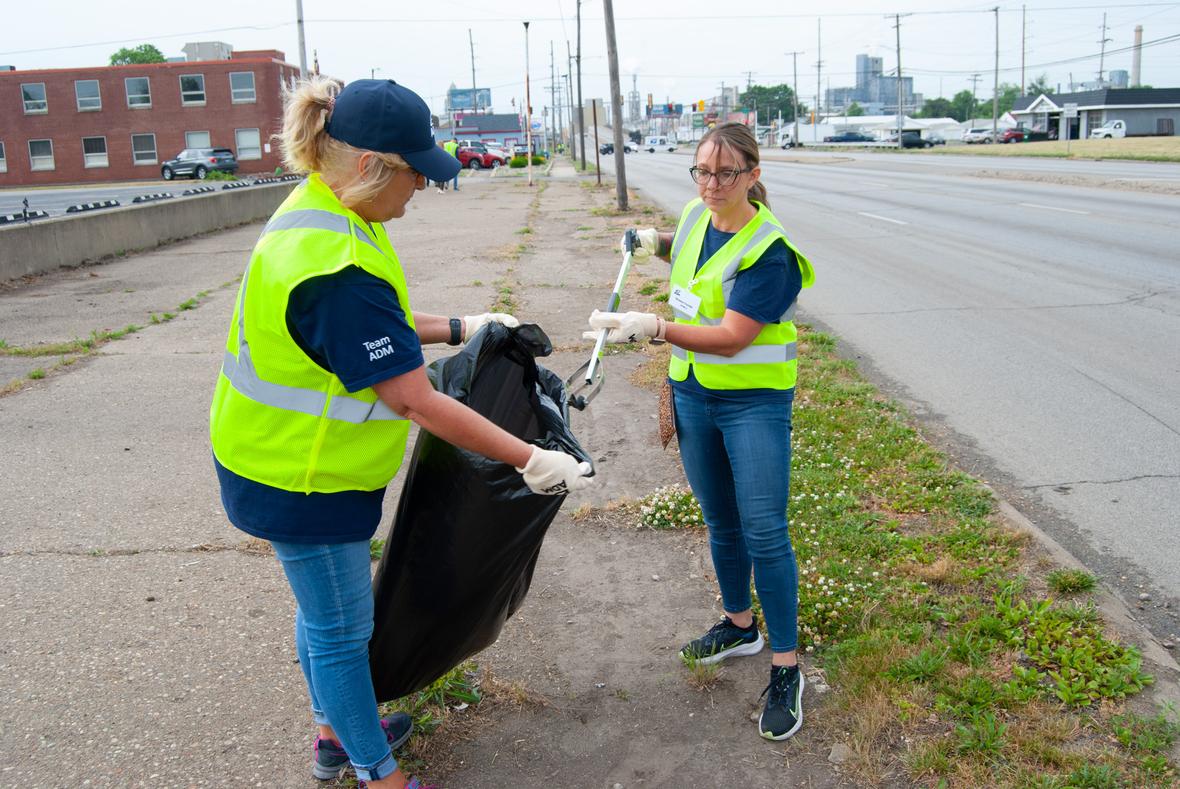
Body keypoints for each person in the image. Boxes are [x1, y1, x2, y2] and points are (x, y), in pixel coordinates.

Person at [209, 77, 594, 789]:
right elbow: (415, 400)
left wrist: (464, 326)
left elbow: (372, 331)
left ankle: (337, 730)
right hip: (300, 477)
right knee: (341, 630)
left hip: (282, 458)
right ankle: (376, 771)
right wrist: (530, 456)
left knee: (323, 612)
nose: (420, 189)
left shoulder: (326, 211)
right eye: (416, 174)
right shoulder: (335, 266)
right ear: (370, 167)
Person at [585, 122, 815, 741]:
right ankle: (740, 627)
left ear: (753, 175)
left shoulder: (770, 251)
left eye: (725, 174)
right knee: (721, 522)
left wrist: (653, 327)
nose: (711, 185)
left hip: (752, 405)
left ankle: (787, 666)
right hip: (693, 395)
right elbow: (683, 247)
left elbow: (734, 337)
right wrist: (648, 240)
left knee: (765, 531)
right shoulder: (696, 214)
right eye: (702, 172)